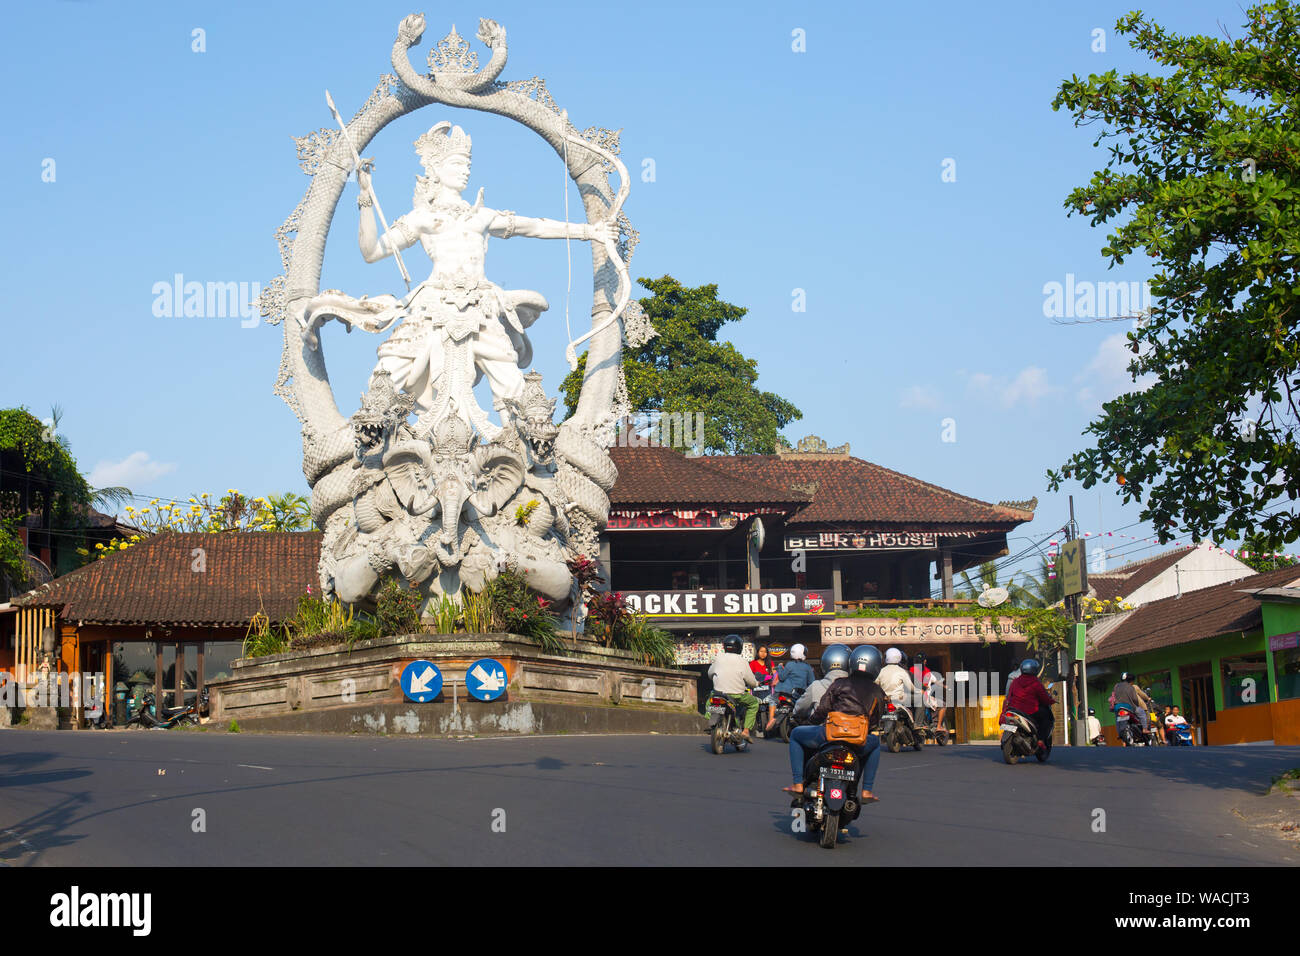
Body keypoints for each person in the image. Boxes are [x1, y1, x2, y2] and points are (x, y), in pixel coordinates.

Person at [784, 645, 887, 805]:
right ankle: (866, 790)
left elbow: (823, 709)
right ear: (876, 667)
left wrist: (811, 722)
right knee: (875, 744)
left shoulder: (840, 683)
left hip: (830, 735)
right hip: (858, 740)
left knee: (797, 734)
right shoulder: (878, 691)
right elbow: (875, 720)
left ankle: (798, 784)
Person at [707, 634, 759, 739]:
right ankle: (746, 730)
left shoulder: (718, 658)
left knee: (710, 699)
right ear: (739, 647)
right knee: (754, 703)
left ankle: (708, 718)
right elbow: (751, 681)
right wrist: (756, 684)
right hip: (737, 695)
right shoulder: (742, 661)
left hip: (718, 693)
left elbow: (710, 674)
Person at [1004, 658, 1056, 751]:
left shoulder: (1015, 681)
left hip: (1014, 709)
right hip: (1030, 711)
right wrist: (1051, 701)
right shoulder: (1036, 683)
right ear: (1035, 670)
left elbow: (1009, 694)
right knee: (1047, 719)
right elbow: (1044, 698)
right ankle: (1040, 740)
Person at [765, 643, 816, 735]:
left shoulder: (789, 664)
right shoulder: (807, 667)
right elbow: (812, 683)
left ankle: (771, 718)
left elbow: (782, 677)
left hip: (782, 691)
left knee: (772, 700)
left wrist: (780, 667)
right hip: (797, 693)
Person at [793, 645, 852, 721]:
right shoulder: (857, 687)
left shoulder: (816, 686)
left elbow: (798, 709)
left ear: (825, 663)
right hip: (853, 730)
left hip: (823, 731)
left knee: (796, 732)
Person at [1110, 672, 1155, 745]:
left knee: (1118, 719)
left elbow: (1113, 696)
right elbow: (1134, 698)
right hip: (1128, 706)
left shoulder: (1116, 686)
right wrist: (1136, 705)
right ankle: (1144, 729)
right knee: (1142, 713)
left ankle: (1119, 734)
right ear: (1131, 680)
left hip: (1117, 707)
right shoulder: (1131, 687)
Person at [749, 644, 776, 736]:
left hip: (768, 689)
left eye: (765, 652)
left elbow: (774, 673)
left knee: (772, 707)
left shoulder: (770, 663)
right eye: (761, 651)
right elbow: (749, 676)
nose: (763, 653)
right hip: (756, 689)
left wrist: (775, 678)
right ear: (757, 652)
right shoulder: (752, 663)